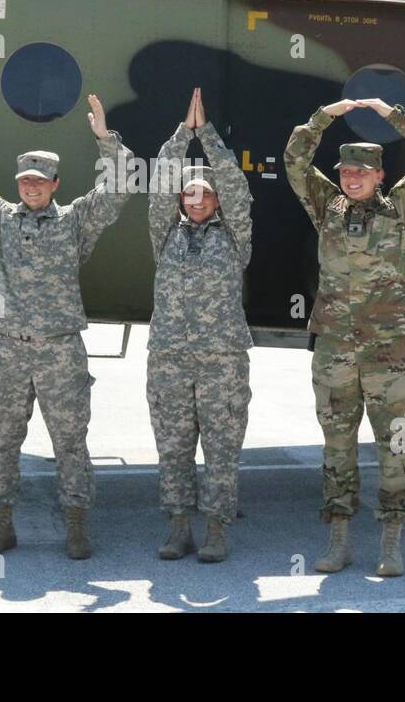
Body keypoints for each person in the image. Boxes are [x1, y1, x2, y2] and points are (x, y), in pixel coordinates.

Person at [0, 92, 133, 559]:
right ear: (18, 182)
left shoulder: (75, 221)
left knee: (70, 441)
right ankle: (1, 526)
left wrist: (108, 142)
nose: (31, 187)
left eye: (40, 181)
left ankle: (76, 528)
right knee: (2, 440)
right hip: (8, 348)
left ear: (55, 184)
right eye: (25, 180)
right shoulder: (0, 219)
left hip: (60, 350)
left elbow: (119, 188)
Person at [284, 97, 405, 576]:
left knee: (395, 447)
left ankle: (391, 542)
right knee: (337, 447)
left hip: (389, 351)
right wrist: (324, 116)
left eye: (362, 171)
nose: (352, 178)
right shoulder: (326, 207)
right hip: (335, 350)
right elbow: (295, 159)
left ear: (379, 176)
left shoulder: (400, 208)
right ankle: (339, 541)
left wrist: (391, 114)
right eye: (346, 171)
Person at [146, 88, 253, 563]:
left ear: (216, 200)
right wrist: (179, 136)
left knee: (222, 449)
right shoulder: (165, 234)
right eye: (189, 193)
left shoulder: (234, 236)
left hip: (221, 362)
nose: (196, 200)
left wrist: (205, 134)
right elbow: (159, 185)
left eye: (205, 194)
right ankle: (177, 529)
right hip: (169, 359)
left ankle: (216, 531)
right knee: (172, 447)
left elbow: (236, 186)